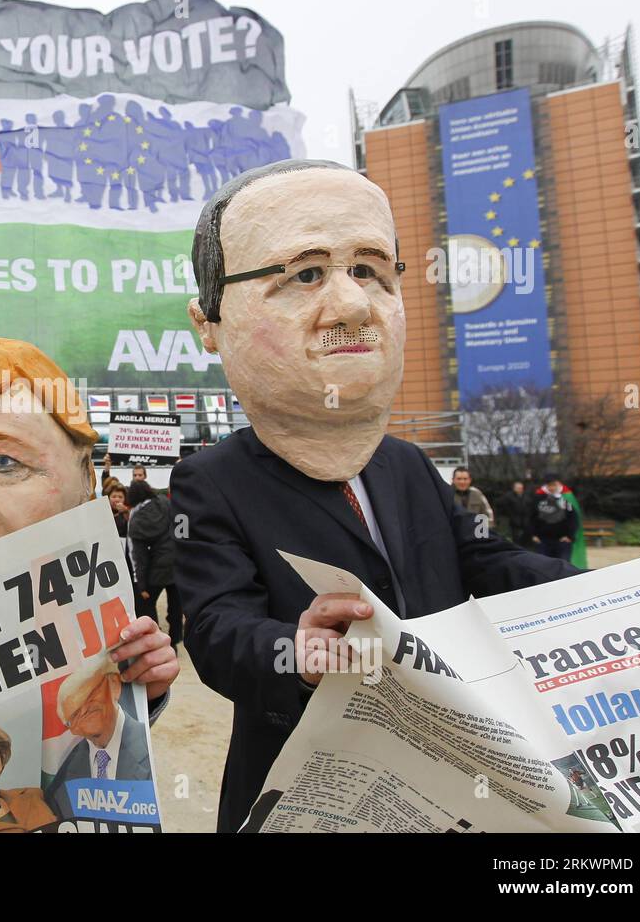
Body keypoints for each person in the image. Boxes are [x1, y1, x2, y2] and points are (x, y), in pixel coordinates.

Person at [176, 159, 580, 832]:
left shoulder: (406, 465)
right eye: (304, 273)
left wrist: (606, 596)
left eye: (369, 269)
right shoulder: (213, 480)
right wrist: (295, 652)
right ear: (208, 321)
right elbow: (217, 631)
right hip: (313, 788)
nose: (353, 305)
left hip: (453, 782)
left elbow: (485, 564)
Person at [0, 336, 178, 707]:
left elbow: (96, 743)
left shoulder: (93, 579)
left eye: (3, 461)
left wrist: (140, 692)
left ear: (86, 478)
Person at [44, 654, 153, 820]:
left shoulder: (152, 748)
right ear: (72, 728)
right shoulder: (64, 778)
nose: (85, 710)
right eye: (75, 713)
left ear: (114, 685)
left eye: (90, 695)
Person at [126, 479, 182, 646]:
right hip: (178, 563)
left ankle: (156, 640)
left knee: (145, 603)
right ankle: (176, 638)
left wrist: (141, 585)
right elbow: (183, 523)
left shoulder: (136, 520)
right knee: (176, 605)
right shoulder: (166, 503)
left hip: (157, 567)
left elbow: (139, 557)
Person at [529, 472, 578, 561]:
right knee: (544, 568)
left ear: (558, 485)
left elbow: (573, 519)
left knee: (563, 569)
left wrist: (570, 536)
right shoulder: (538, 499)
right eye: (549, 485)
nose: (552, 488)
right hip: (543, 541)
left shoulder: (566, 499)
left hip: (562, 541)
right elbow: (532, 517)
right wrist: (533, 535)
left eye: (554, 485)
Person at [493, 480, 529, 545]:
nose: (520, 489)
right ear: (514, 488)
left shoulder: (525, 495)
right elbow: (499, 503)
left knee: (523, 536)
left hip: (523, 519)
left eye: (521, 488)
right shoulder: (508, 496)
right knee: (514, 536)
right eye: (518, 488)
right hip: (512, 519)